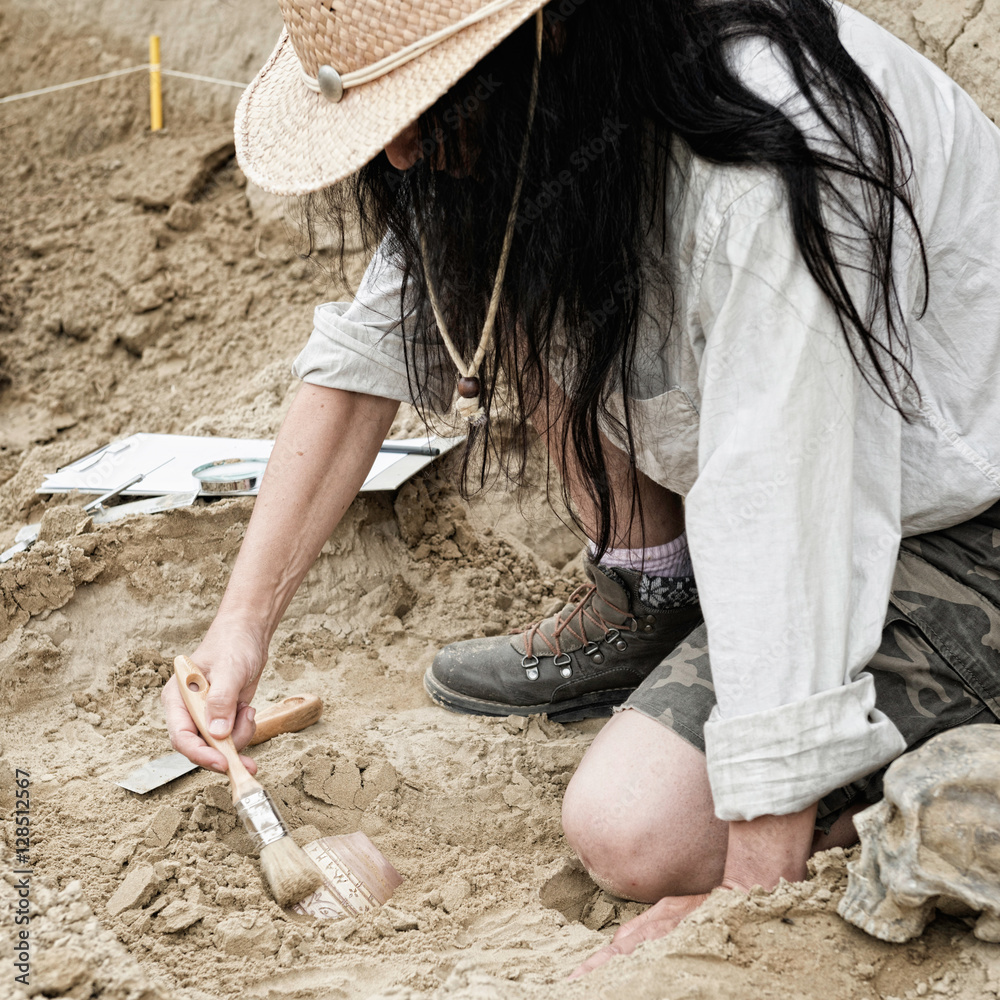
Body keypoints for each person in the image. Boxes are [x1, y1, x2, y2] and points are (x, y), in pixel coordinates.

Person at [162, 0, 1000, 976]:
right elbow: (363, 361)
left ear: (545, 36)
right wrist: (240, 628)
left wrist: (745, 896)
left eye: (425, 106)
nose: (394, 155)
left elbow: (784, 516)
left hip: (952, 518)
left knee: (632, 830)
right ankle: (655, 596)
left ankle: (948, 791)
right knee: (502, 251)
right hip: (805, 477)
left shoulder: (762, 169)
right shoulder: (544, 103)